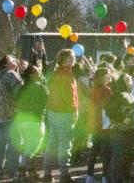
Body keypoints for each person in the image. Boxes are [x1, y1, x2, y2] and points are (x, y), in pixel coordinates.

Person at [42, 49, 79, 183]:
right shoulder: (66, 74)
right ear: (67, 59)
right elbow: (70, 96)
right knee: (65, 144)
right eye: (72, 57)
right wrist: (74, 111)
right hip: (64, 112)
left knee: (52, 143)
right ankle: (64, 174)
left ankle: (47, 173)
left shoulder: (56, 73)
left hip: (53, 111)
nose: (74, 59)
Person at [0, 54, 24, 179]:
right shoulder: (11, 74)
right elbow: (21, 92)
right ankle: (13, 169)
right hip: (9, 114)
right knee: (15, 144)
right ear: (6, 64)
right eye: (13, 59)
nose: (16, 60)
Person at [14, 64, 49, 180]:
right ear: (32, 75)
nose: (40, 72)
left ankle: (32, 172)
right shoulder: (41, 87)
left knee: (29, 147)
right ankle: (21, 171)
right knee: (33, 148)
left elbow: (17, 103)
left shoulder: (22, 88)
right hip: (36, 120)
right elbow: (48, 101)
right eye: (38, 71)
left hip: (22, 121)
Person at [105, 73, 134, 183]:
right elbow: (109, 110)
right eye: (127, 78)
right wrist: (122, 118)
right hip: (118, 130)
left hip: (129, 130)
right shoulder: (118, 94)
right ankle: (112, 180)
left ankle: (121, 178)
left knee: (125, 156)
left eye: (130, 78)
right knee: (119, 156)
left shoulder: (130, 93)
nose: (130, 80)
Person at [85, 66, 114, 183]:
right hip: (105, 125)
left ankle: (89, 176)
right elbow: (109, 108)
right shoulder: (106, 90)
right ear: (103, 77)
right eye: (109, 74)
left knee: (94, 151)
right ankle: (105, 177)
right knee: (107, 153)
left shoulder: (95, 89)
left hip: (95, 124)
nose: (111, 75)